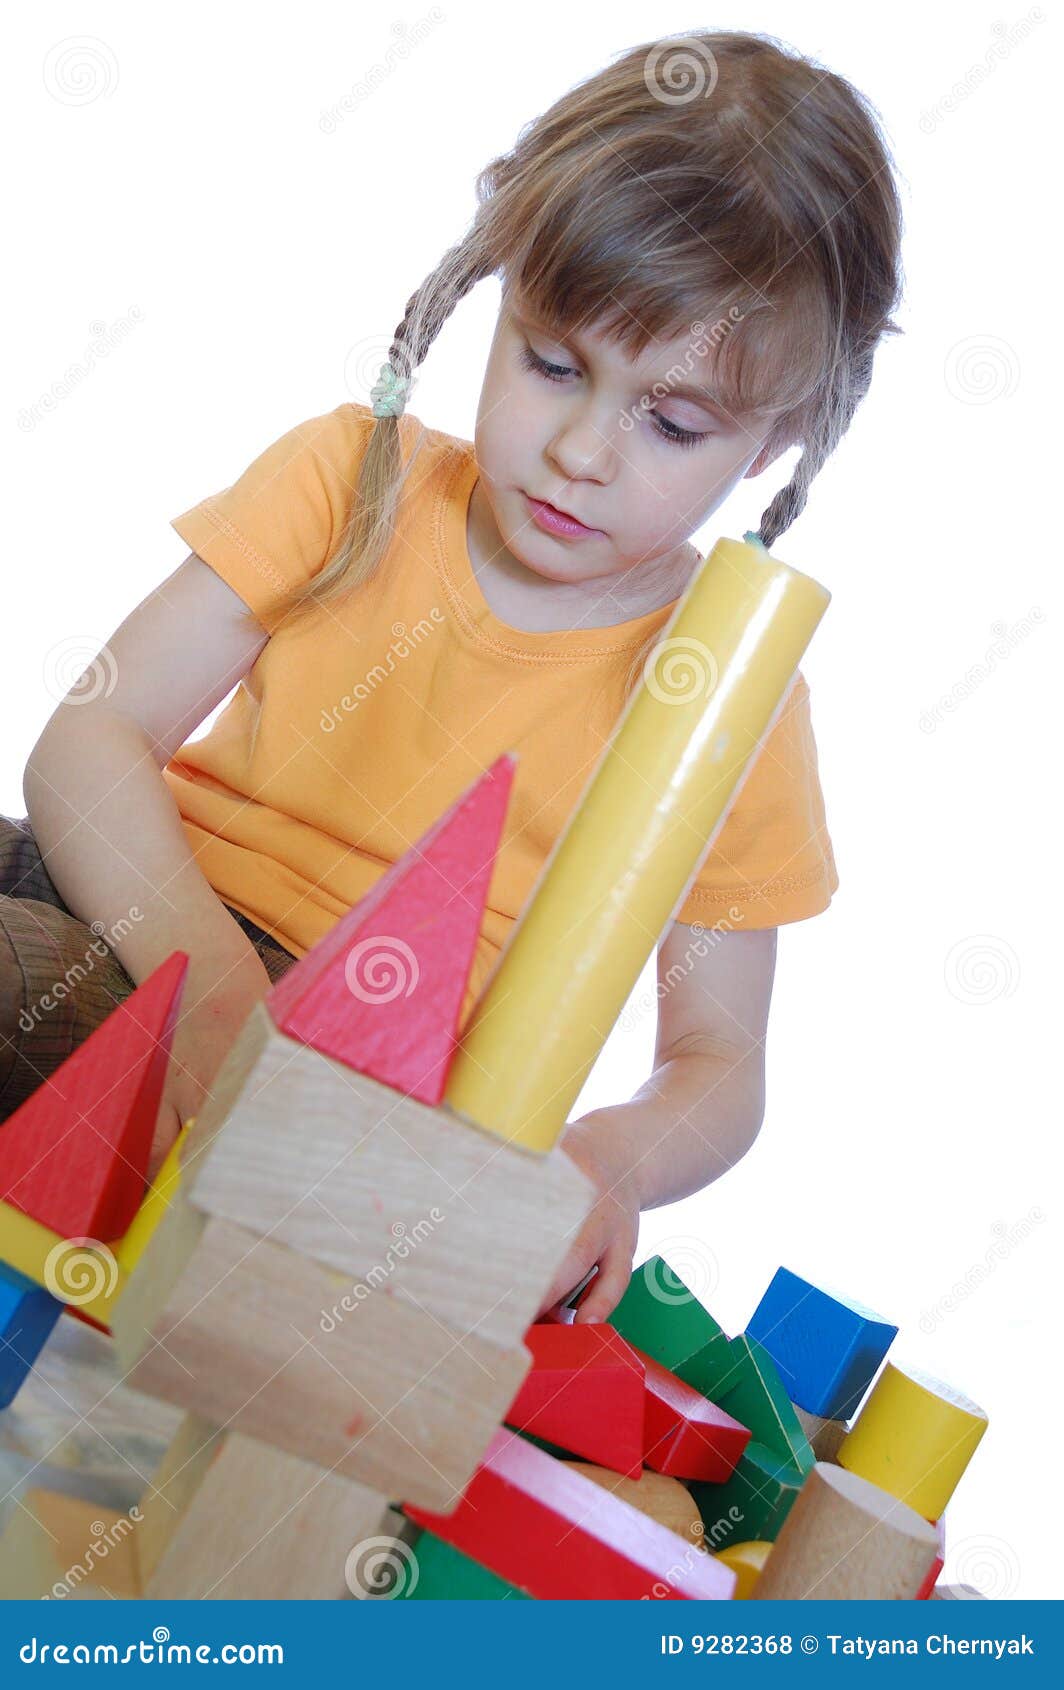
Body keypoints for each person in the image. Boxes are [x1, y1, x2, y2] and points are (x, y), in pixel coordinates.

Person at [2, 30, 902, 1322]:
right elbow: (88, 747)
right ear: (497, 289)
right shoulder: (351, 477)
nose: (583, 449)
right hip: (140, 909)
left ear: (778, 438)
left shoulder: (722, 700)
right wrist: (211, 1005)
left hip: (343, 1075)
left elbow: (717, 1057)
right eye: (552, 363)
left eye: (673, 420)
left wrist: (600, 1160)